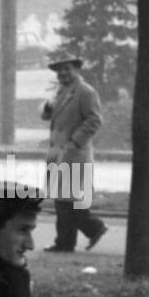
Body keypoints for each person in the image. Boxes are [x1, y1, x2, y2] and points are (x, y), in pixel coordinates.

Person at [41, 50, 106, 252]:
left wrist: (74, 142)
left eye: (67, 69)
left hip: (73, 154)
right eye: (59, 70)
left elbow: (95, 120)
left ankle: (92, 229)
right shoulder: (61, 91)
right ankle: (66, 242)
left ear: (77, 69)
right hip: (59, 154)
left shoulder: (86, 92)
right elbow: (47, 116)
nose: (63, 74)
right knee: (63, 201)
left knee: (69, 202)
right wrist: (48, 106)